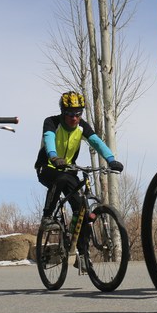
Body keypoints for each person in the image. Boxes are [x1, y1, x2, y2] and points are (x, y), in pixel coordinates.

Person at [34, 91, 124, 261]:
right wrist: (54, 156)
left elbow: (96, 141)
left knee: (81, 207)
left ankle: (82, 253)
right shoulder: (51, 122)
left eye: (78, 113)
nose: (74, 118)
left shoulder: (82, 126)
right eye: (69, 114)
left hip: (68, 170)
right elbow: (49, 139)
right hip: (47, 167)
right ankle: (47, 216)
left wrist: (111, 160)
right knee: (59, 179)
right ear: (63, 112)